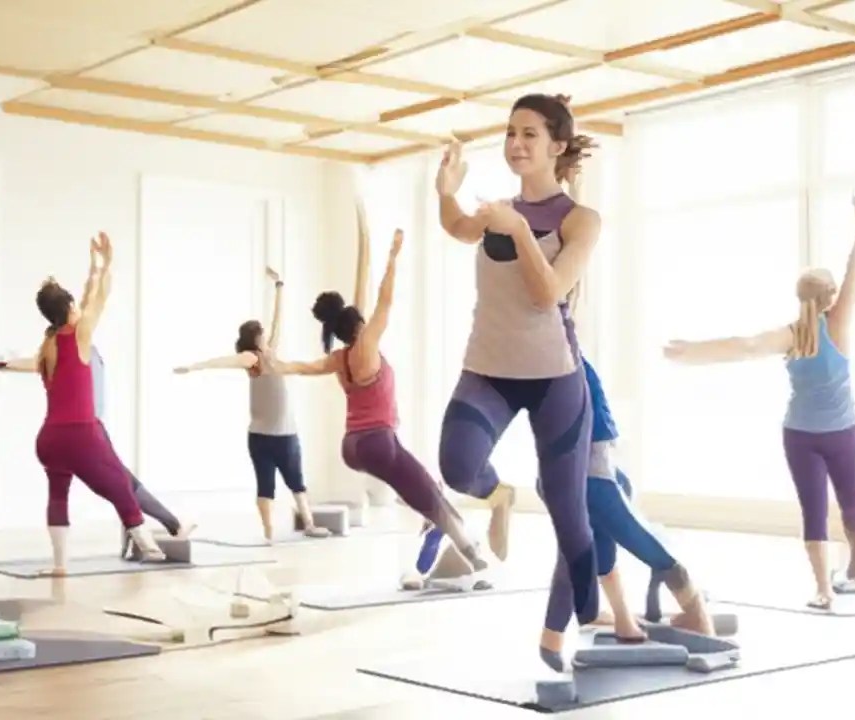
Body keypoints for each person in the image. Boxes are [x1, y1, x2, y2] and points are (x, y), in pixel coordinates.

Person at [433, 93, 602, 670]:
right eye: (510, 133)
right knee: (456, 466)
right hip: (489, 371)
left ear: (557, 146)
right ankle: (498, 494)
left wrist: (521, 229)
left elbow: (549, 291)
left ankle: (578, 631)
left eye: (529, 134)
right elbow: (457, 227)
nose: (516, 144)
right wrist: (446, 190)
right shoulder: (495, 211)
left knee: (568, 511)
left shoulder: (581, 219)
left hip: (556, 380)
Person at [664, 195, 855, 609]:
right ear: (830, 297)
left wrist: (692, 350)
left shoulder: (790, 334)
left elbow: (746, 346)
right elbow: (854, 270)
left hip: (800, 435)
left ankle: (825, 588)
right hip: (841, 433)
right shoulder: (838, 324)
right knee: (853, 502)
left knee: (815, 512)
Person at [274, 207, 491, 591]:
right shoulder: (366, 347)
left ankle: (431, 535)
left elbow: (302, 367)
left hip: (354, 446)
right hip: (377, 442)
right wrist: (392, 259)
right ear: (359, 324)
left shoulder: (340, 356)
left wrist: (273, 364)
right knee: (433, 496)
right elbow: (384, 302)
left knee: (423, 491)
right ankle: (472, 552)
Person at [0, 232, 185, 575]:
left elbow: (87, 300)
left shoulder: (48, 346)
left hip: (49, 440)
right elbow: (101, 297)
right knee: (120, 483)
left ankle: (60, 565)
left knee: (58, 496)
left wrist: (93, 269)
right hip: (80, 434)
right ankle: (149, 546)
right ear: (71, 309)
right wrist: (107, 264)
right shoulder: (79, 334)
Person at [172, 266, 330, 542]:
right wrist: (195, 367)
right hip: (264, 437)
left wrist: (280, 285)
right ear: (253, 339)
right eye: (261, 334)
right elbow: (225, 360)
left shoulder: (272, 352)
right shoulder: (253, 358)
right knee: (266, 487)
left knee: (296, 482)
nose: (266, 336)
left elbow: (277, 319)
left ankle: (309, 523)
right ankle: (270, 531)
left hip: (284, 435)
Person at [577, 356, 715, 638]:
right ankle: (621, 616)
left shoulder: (564, 352)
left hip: (595, 463)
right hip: (587, 461)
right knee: (602, 537)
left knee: (630, 531)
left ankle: (694, 607)